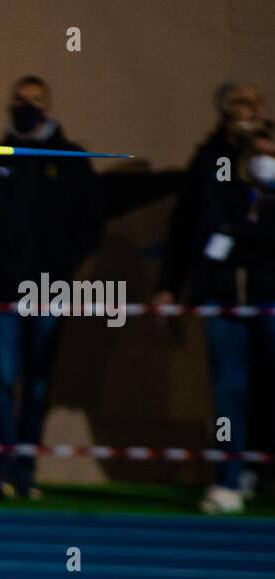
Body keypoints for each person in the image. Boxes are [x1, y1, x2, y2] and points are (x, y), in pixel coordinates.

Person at [0, 75, 103, 500]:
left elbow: (90, 225)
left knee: (37, 381)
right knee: (5, 378)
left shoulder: (72, 160)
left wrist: (61, 270)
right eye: (20, 100)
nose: (27, 107)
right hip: (4, 291)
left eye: (36, 101)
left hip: (50, 288)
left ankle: (26, 471)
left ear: (49, 105)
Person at [154, 83, 275, 514]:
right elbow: (186, 228)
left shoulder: (270, 154)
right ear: (225, 110)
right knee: (228, 394)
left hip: (268, 294)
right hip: (222, 296)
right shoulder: (208, 160)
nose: (252, 109)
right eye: (243, 103)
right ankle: (229, 480)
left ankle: (258, 472)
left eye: (257, 103)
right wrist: (170, 286)